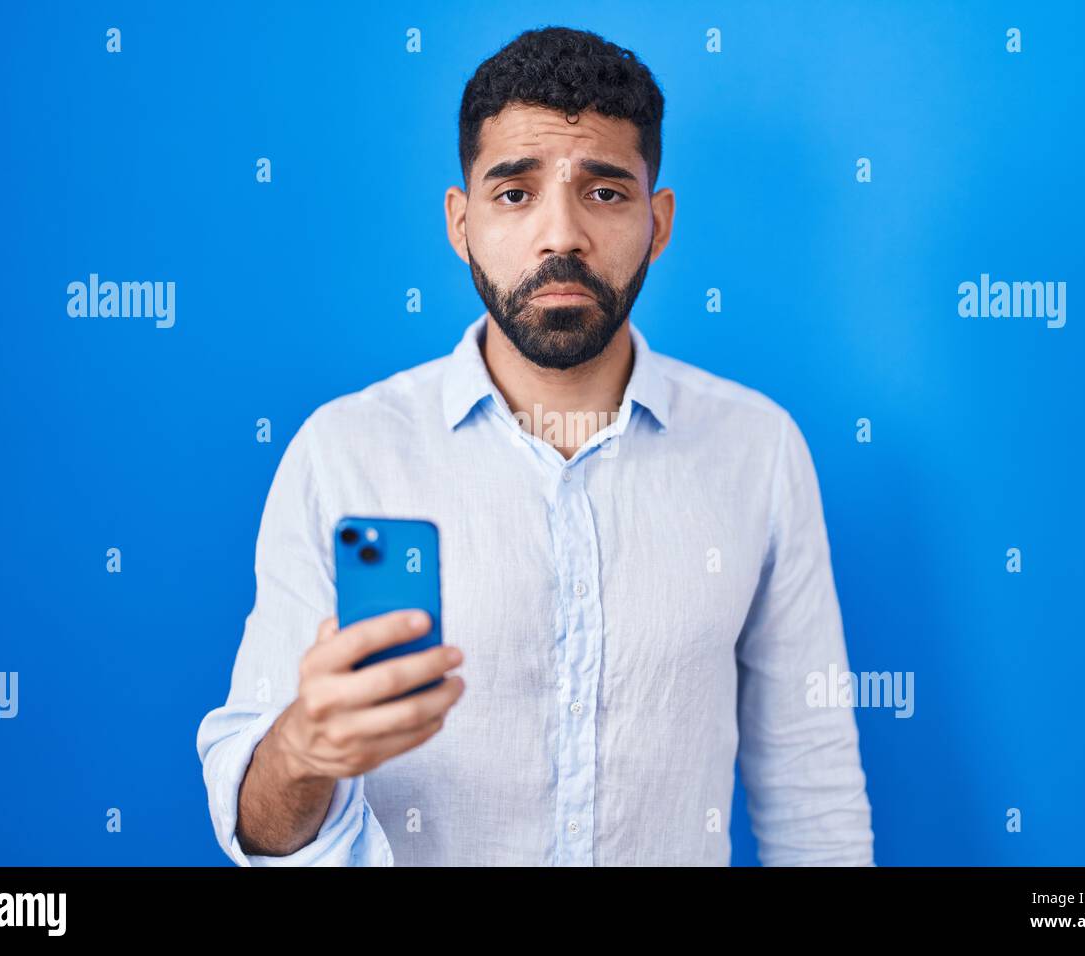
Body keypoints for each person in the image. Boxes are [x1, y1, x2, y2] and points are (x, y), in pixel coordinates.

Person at [196, 25, 874, 866]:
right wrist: (303, 751)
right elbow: (254, 830)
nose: (561, 236)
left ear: (658, 222)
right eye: (515, 193)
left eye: (605, 193)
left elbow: (814, 794)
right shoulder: (344, 451)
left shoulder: (758, 450)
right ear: (461, 220)